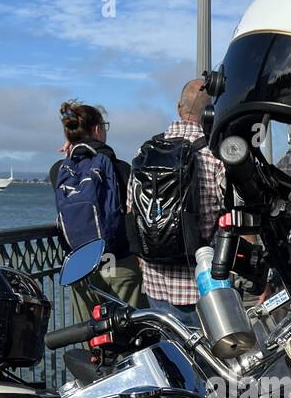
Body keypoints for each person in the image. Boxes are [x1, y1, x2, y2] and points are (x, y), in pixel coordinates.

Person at [129, 78, 225, 329]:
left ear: (178, 108)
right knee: (206, 359)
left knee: (169, 356)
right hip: (201, 283)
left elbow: (132, 211)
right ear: (210, 112)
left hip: (155, 282)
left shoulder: (145, 152)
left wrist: (144, 257)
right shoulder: (214, 155)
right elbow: (235, 216)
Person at [50, 101, 145, 313]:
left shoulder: (58, 170)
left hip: (81, 265)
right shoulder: (120, 168)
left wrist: (72, 146)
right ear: (97, 129)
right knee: (130, 331)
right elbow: (133, 214)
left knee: (87, 332)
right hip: (119, 261)